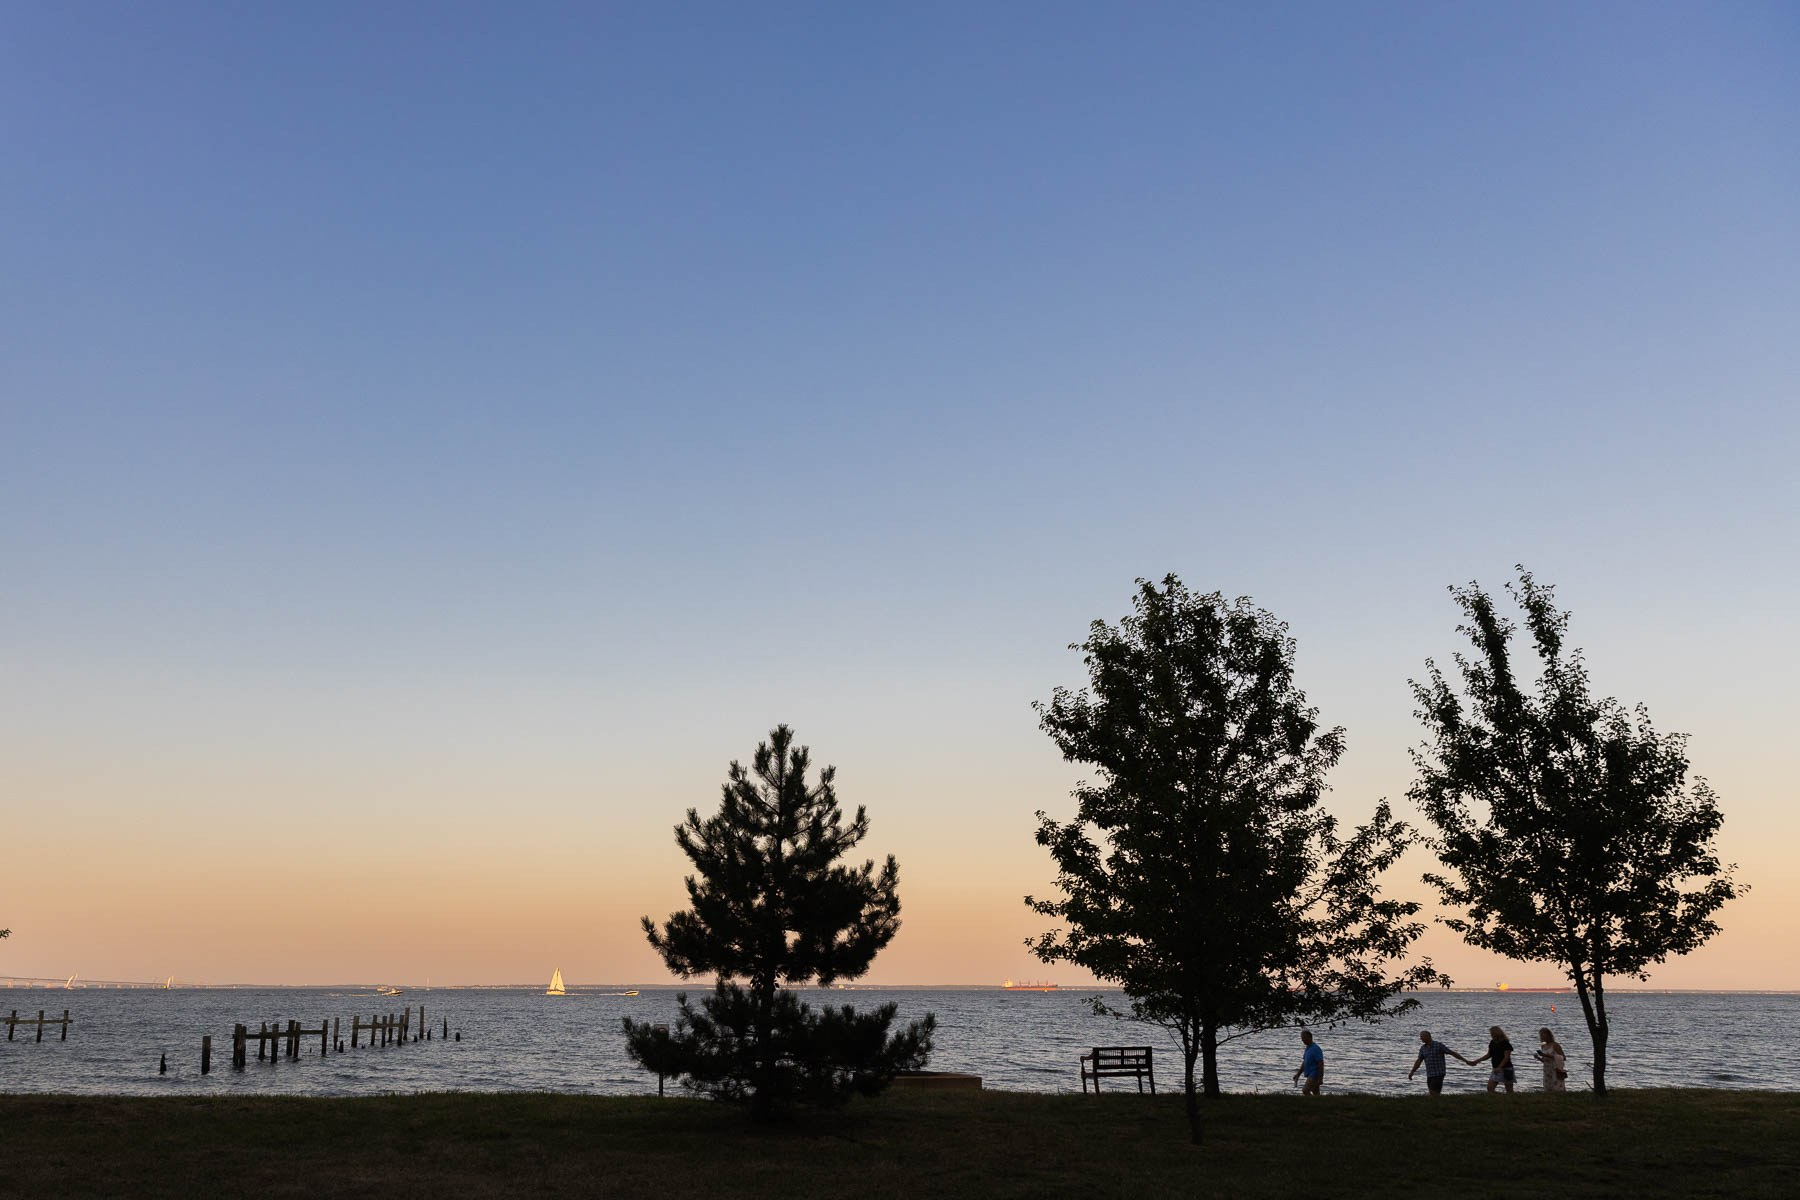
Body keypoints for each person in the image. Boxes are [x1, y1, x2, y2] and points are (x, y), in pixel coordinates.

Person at [1408, 1030, 1470, 1095]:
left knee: (1433, 1092)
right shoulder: (1423, 1048)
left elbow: (1452, 1053)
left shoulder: (1438, 1045)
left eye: (1422, 1037)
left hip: (1439, 1073)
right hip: (1430, 1074)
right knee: (1433, 1093)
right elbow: (1419, 1061)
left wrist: (1465, 1061)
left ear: (1427, 1036)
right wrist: (1412, 1071)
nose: (1420, 1038)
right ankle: (1438, 1104)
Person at [1469, 1025, 1517, 1093]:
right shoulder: (1492, 1042)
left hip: (1506, 1069)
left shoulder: (1506, 1043)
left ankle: (1510, 1101)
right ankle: (1497, 1100)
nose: (1491, 1035)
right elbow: (1489, 1055)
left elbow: (1506, 1058)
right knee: (1490, 1088)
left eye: (1492, 1033)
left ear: (1497, 1033)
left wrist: (1499, 1067)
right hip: (1495, 1068)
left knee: (1509, 1090)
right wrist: (1476, 1061)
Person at [1534, 1027, 1568, 1092]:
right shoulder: (1543, 1046)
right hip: (1546, 1070)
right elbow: (1545, 1061)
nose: (1542, 1036)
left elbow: (1563, 1057)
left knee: (1557, 1088)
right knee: (1547, 1089)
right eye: (1541, 1035)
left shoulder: (1555, 1045)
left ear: (1548, 1035)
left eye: (1543, 1034)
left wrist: (1546, 1055)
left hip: (1555, 1069)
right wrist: (1538, 1058)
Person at [1293, 1029, 1324, 1096]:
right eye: (1302, 1038)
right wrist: (1298, 1074)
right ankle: (1318, 1104)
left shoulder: (1315, 1048)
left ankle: (1311, 1103)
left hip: (1315, 1074)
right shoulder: (1308, 1048)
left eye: (1303, 1038)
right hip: (1309, 1073)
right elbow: (1304, 1063)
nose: (1302, 1040)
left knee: (1305, 1090)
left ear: (1309, 1037)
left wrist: (1320, 1078)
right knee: (1316, 1093)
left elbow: (1321, 1063)